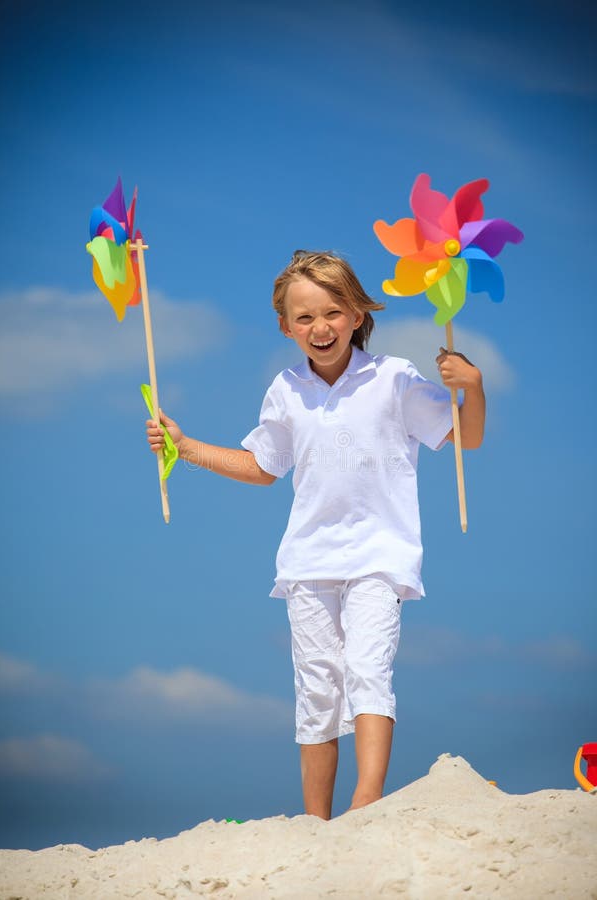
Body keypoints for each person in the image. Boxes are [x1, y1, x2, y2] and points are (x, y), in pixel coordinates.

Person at [146, 250, 485, 820]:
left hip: (381, 553)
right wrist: (186, 447)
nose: (320, 327)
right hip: (307, 560)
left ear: (356, 314)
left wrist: (472, 387)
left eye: (332, 312)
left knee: (368, 668)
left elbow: (465, 437)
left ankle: (367, 800)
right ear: (285, 326)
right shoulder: (285, 389)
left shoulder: (394, 378)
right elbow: (263, 466)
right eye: (304, 317)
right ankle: (314, 822)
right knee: (317, 688)